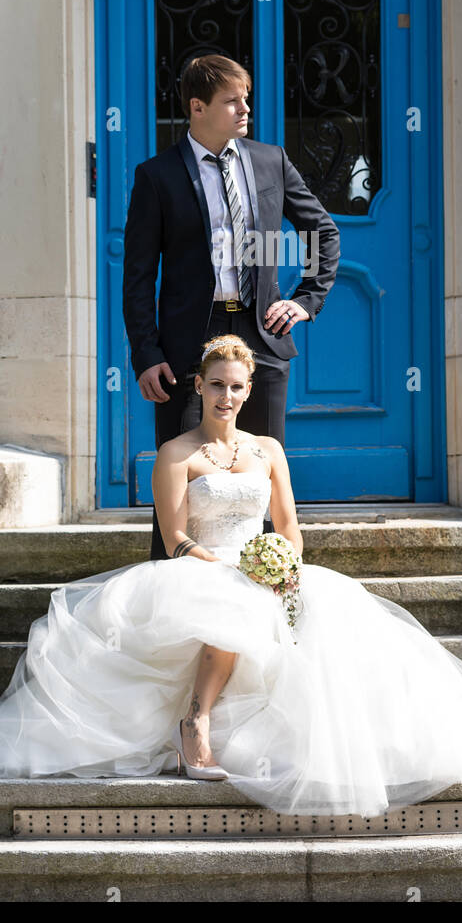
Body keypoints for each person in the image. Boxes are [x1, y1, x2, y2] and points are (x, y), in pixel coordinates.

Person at [0, 335, 462, 818]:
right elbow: (174, 537)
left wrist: (282, 565)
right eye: (216, 385)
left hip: (263, 565)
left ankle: (308, 744)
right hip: (201, 565)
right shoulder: (175, 454)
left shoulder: (269, 450)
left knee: (332, 620)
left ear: (249, 390)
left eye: (236, 387)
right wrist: (225, 567)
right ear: (199, 386)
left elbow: (287, 525)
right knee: (229, 603)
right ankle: (197, 725)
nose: (226, 397)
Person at [122, 53, 340, 559]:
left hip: (260, 335)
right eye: (231, 101)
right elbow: (137, 276)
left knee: (259, 482)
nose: (245, 109)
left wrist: (307, 299)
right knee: (177, 493)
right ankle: (174, 618)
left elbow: (322, 231)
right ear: (197, 107)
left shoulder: (270, 161)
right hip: (183, 349)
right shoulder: (157, 176)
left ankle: (266, 603)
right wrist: (146, 352)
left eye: (246, 98)